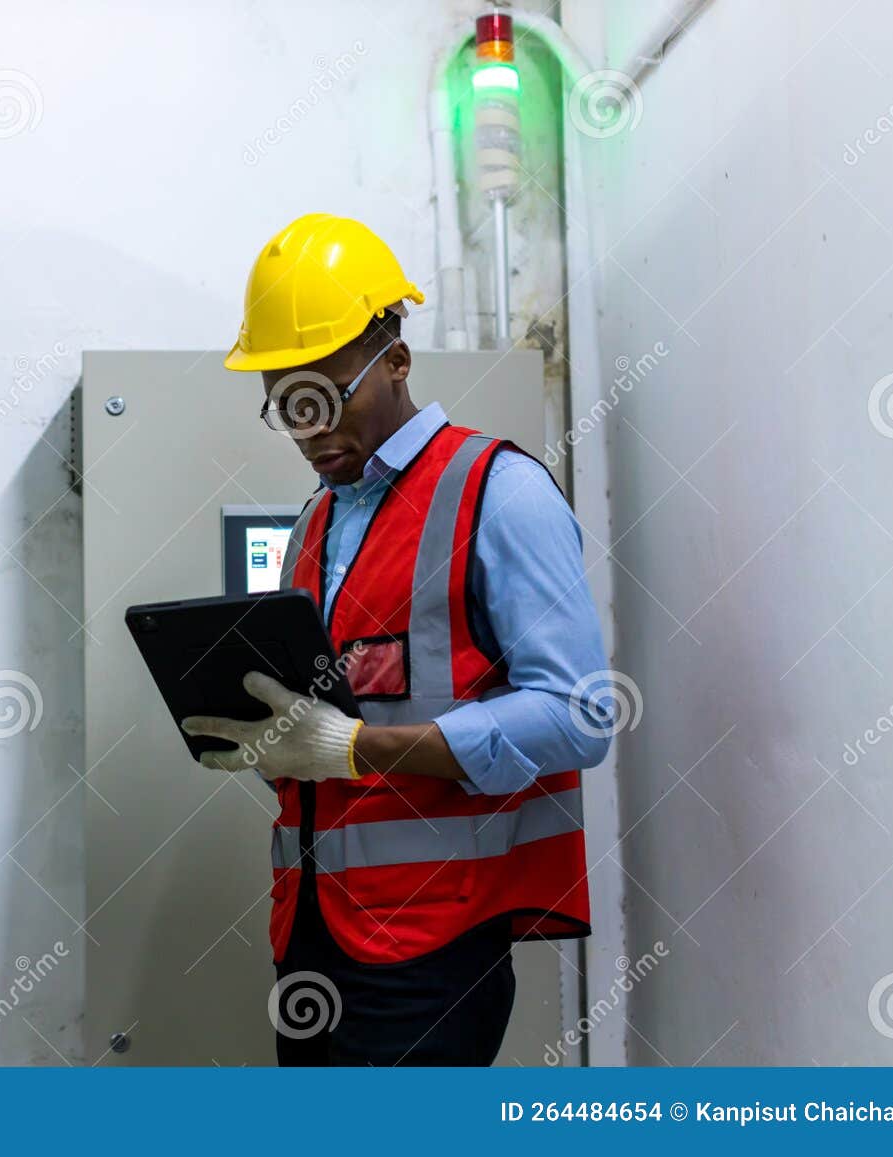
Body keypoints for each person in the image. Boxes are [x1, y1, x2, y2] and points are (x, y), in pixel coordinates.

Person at [180, 214, 612, 1066]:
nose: (310, 430)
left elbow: (578, 714)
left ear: (397, 362)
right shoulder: (315, 520)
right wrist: (275, 735)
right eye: (287, 405)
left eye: (328, 396)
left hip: (433, 938)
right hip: (309, 927)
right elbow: (342, 704)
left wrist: (356, 748)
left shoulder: (500, 490)